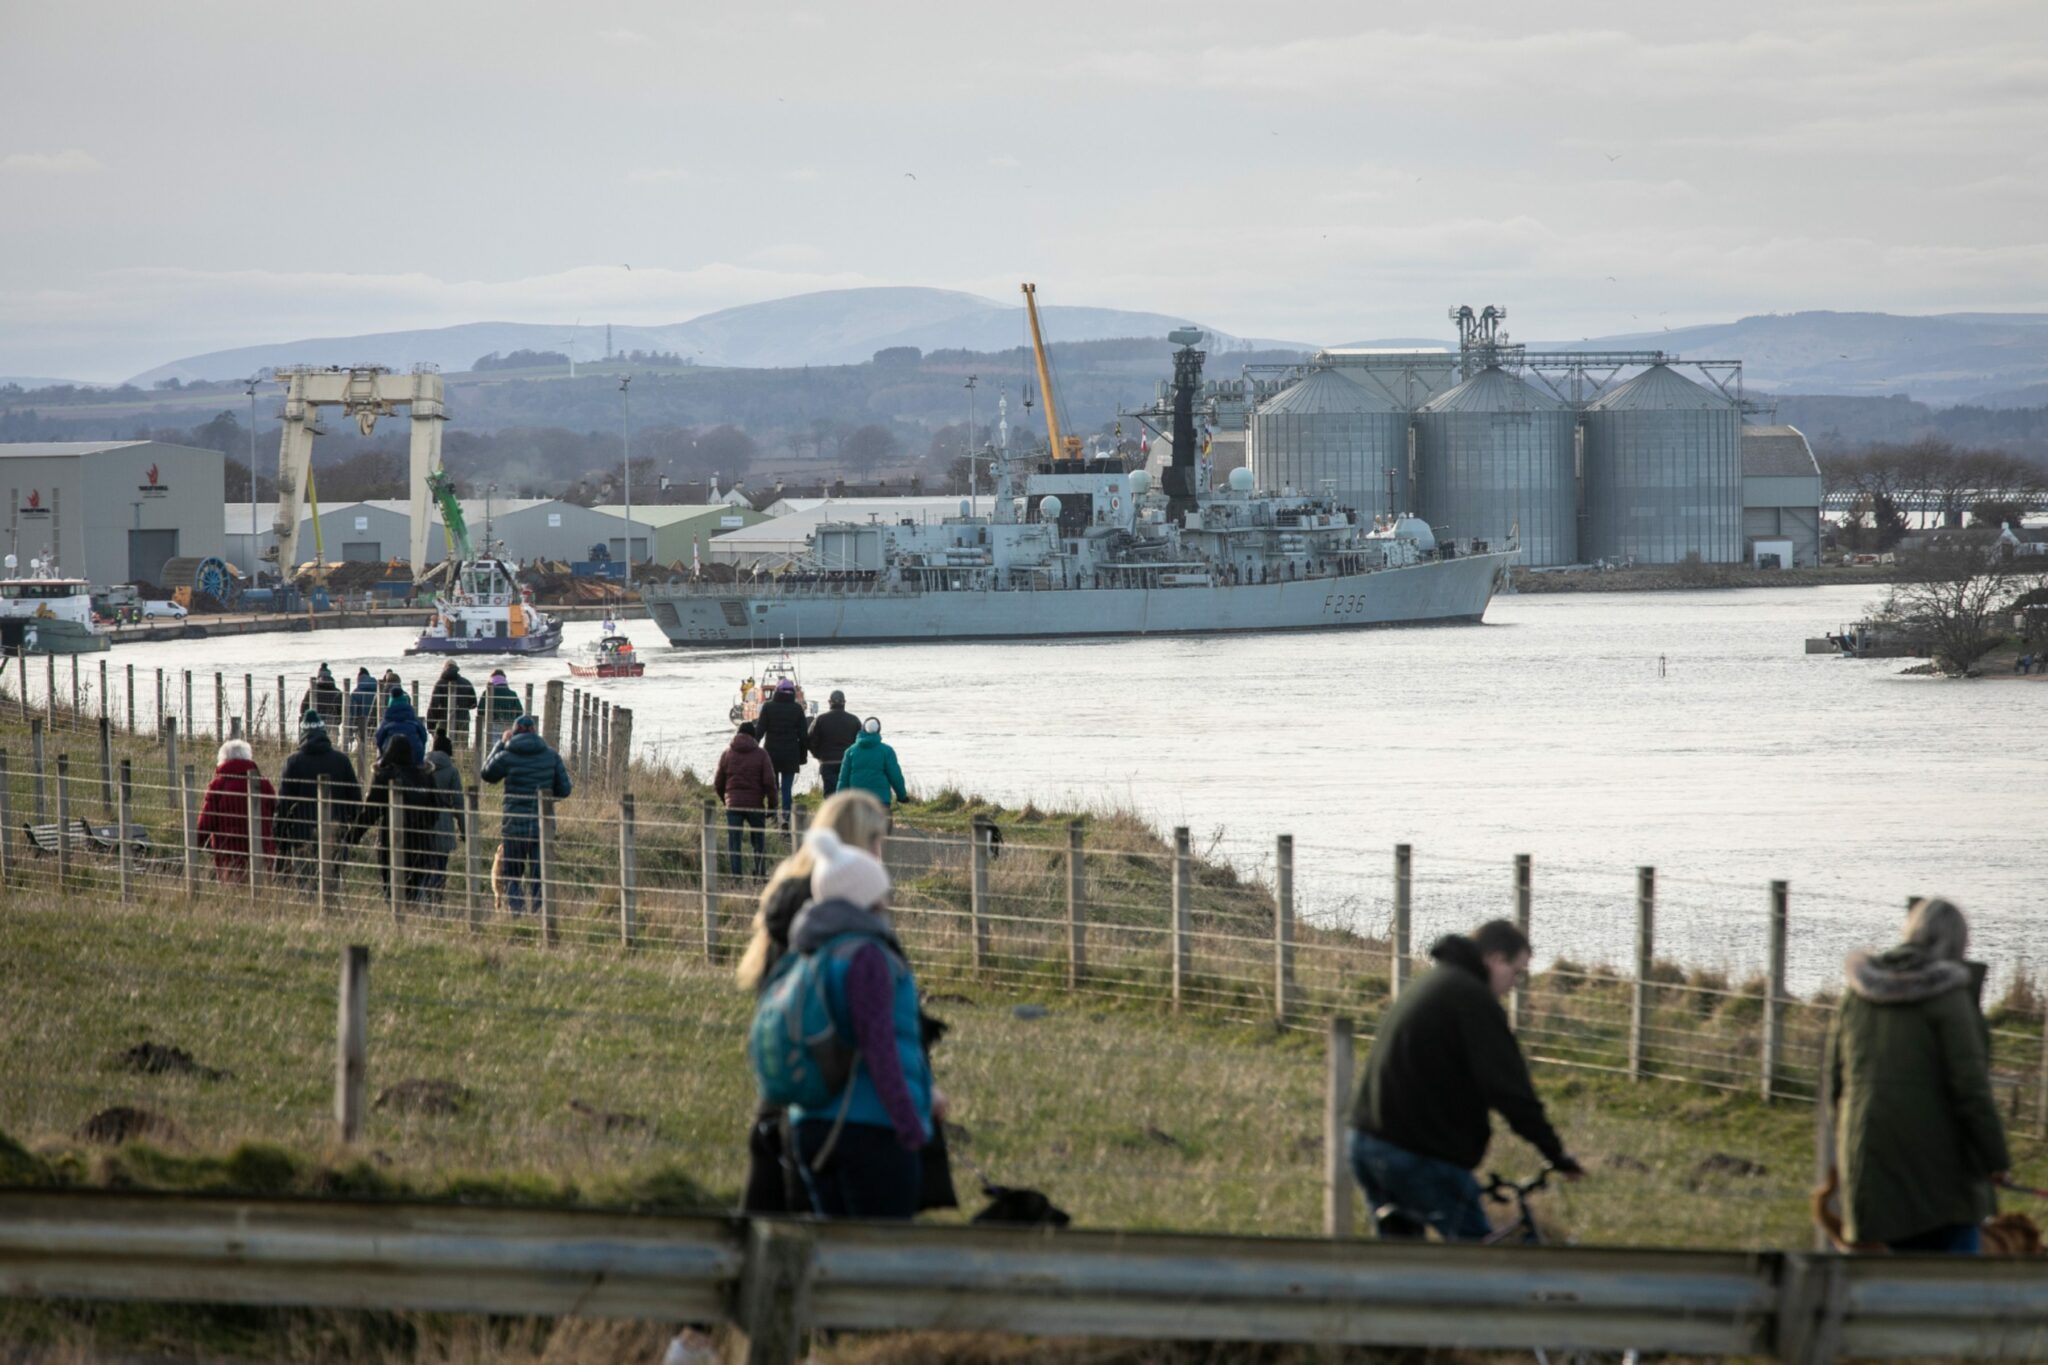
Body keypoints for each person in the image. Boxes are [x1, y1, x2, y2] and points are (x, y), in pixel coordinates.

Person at [1350, 920, 1582, 1241]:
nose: (1514, 985)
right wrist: (1556, 1153)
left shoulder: (1434, 982)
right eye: (1516, 973)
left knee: (1400, 1269)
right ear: (1496, 959)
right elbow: (1511, 1093)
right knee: (1477, 1266)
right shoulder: (1473, 999)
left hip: (1367, 1142)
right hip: (1416, 1153)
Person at [736, 789, 896, 1213]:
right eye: (875, 841)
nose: (880, 852)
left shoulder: (787, 890)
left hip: (782, 1087)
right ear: (855, 842)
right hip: (828, 1100)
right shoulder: (831, 909)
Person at [1826, 896, 2009, 1253]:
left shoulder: (1857, 994)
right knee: (1949, 1294)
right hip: (1942, 1178)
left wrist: (1851, 1148)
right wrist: (1995, 1161)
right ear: (1958, 943)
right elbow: (1970, 1090)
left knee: (1881, 1292)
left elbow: (1836, 1084)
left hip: (1869, 1166)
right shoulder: (1950, 999)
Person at [780, 826, 936, 1219]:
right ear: (866, 898)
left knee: (833, 1261)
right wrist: (910, 1124)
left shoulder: (810, 951)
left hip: (809, 1125)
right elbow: (879, 1047)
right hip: (867, 1129)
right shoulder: (866, 957)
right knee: (881, 1263)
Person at [480, 715, 572, 915]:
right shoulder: (551, 756)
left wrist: (500, 744)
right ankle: (539, 913)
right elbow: (565, 789)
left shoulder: (507, 755)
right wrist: (546, 797)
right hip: (543, 824)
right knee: (540, 874)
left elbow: (487, 773)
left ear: (514, 733)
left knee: (512, 873)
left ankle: (516, 912)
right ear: (535, 732)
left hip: (514, 825)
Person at [348, 733, 449, 904]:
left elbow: (370, 812)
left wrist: (353, 835)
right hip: (421, 844)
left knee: (392, 890)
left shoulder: (385, 776)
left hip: (391, 843)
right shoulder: (425, 776)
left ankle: (398, 921)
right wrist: (425, 828)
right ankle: (411, 919)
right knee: (415, 890)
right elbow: (435, 809)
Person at [274, 709, 361, 882]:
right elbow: (355, 800)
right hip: (335, 834)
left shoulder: (293, 762)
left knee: (306, 886)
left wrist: (279, 835)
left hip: (302, 838)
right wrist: (350, 831)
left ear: (303, 734)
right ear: (323, 732)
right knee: (334, 883)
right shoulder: (341, 761)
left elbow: (284, 804)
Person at [196, 739, 277, 883]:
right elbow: (275, 815)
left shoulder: (218, 785)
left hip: (230, 857)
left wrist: (195, 846)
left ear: (223, 760)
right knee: (263, 895)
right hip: (262, 855)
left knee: (233, 897)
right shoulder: (263, 784)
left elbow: (205, 824)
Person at [714, 722, 777, 880]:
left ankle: (736, 877)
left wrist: (726, 800)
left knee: (734, 842)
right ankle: (760, 874)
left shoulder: (727, 753)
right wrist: (772, 806)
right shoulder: (761, 754)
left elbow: (718, 782)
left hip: (733, 805)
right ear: (754, 736)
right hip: (755, 805)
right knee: (758, 840)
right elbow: (770, 783)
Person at [755, 678, 809, 820]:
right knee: (786, 788)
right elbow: (804, 736)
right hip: (791, 754)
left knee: (772, 785)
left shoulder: (768, 707)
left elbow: (759, 731)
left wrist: (752, 749)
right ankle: (786, 816)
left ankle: (772, 812)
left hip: (771, 753)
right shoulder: (797, 709)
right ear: (792, 693)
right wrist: (803, 757)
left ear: (776, 692)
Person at [422, 728, 466, 896]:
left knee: (424, 865)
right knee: (440, 866)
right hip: (444, 822)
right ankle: (437, 899)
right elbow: (458, 803)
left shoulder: (422, 766)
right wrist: (464, 830)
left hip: (423, 820)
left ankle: (423, 898)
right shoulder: (452, 771)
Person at [836, 717, 908, 809]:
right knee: (883, 823)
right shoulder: (887, 751)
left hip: (857, 800)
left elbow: (843, 779)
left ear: (863, 729)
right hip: (881, 800)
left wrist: (839, 800)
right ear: (879, 730)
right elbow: (895, 776)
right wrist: (902, 796)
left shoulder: (850, 751)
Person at [806, 690, 862, 797]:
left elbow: (810, 740)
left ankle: (831, 812)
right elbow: (860, 742)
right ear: (844, 702)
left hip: (827, 762)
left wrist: (818, 755)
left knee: (830, 794)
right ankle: (846, 813)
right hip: (847, 762)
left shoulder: (820, 720)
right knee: (846, 794)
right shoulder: (854, 720)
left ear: (829, 702)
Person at [425, 661, 479, 745]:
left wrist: (430, 725)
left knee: (442, 746)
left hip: (443, 721)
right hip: (462, 719)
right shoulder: (466, 683)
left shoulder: (440, 683)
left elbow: (433, 706)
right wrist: (463, 708)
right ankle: (461, 758)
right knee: (462, 746)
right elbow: (474, 704)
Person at [375, 687, 429, 758]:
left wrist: (382, 754)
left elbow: (379, 739)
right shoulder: (414, 720)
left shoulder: (386, 722)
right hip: (415, 757)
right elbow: (424, 737)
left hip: (391, 757)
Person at [298, 664, 346, 732]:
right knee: (332, 742)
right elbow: (342, 712)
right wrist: (337, 722)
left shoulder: (311, 691)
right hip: (332, 725)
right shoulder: (338, 692)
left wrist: (308, 721)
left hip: (314, 725)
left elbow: (303, 709)